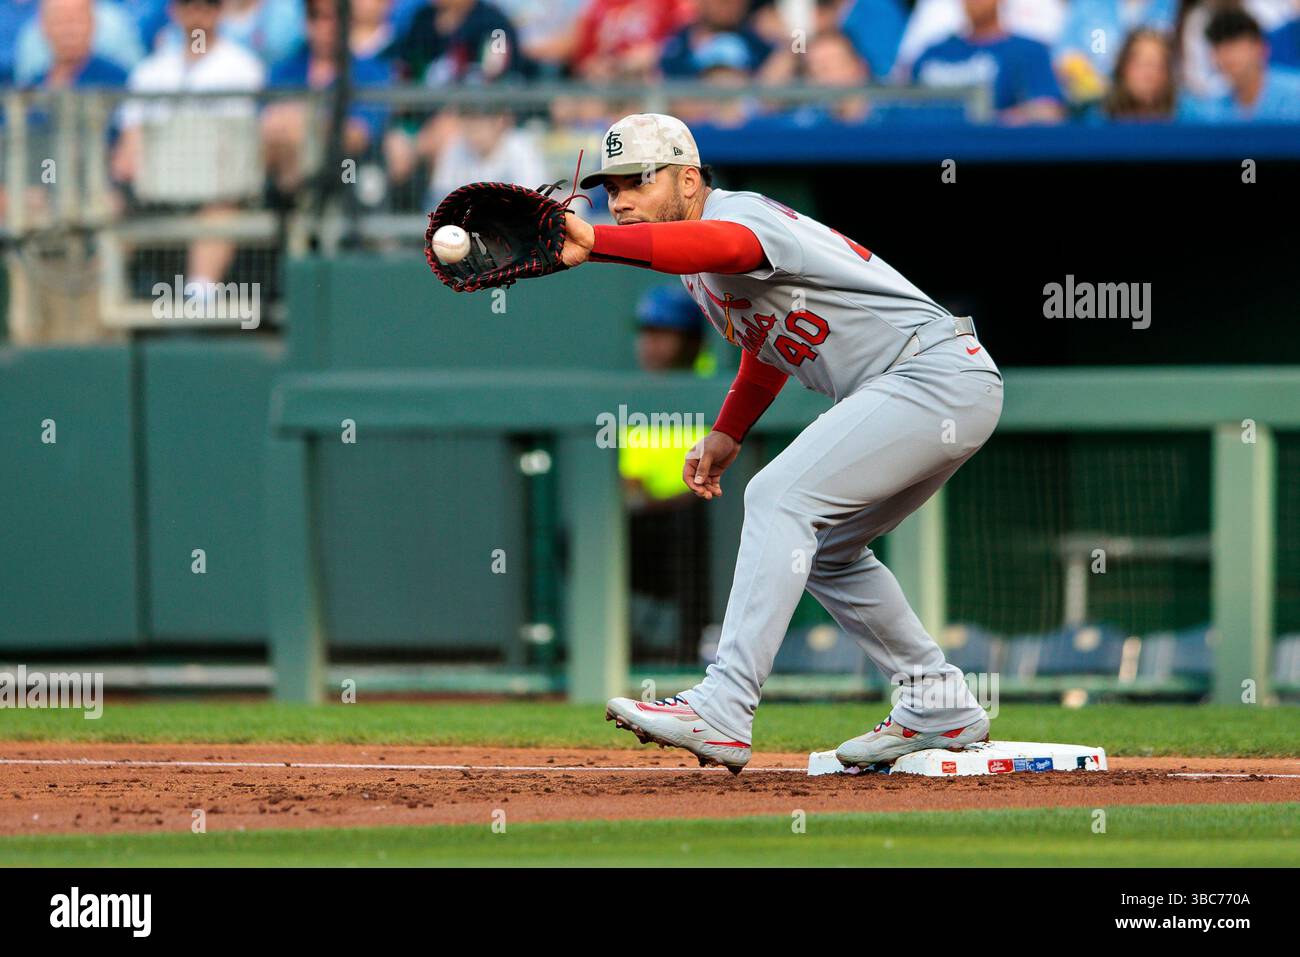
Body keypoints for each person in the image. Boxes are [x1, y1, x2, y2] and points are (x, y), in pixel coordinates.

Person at [561, 113, 1002, 773]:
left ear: (689, 179)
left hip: (930, 372)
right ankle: (936, 698)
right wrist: (727, 430)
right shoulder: (696, 264)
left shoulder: (741, 216)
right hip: (931, 385)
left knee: (778, 498)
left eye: (638, 181)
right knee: (827, 550)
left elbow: (732, 248)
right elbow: (767, 346)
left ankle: (725, 704)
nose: (620, 200)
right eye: (610, 187)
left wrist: (594, 242)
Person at [911, 0, 1066, 123]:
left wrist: (993, 122)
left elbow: (1050, 111)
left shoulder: (1028, 51)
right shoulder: (932, 54)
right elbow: (903, 107)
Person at [1179, 7, 1300, 119]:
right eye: (1219, 48)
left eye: (1235, 46)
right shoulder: (1214, 110)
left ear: (1262, 48)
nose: (1227, 56)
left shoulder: (1295, 95)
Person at [1054, 0, 1176, 103]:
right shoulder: (1089, 5)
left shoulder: (1175, 6)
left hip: (1165, 109)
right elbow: (1064, 54)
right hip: (1098, 108)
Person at [1102, 27, 1177, 119]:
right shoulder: (1092, 120)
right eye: (1140, 63)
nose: (1148, 74)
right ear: (1122, 67)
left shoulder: (1190, 122)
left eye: (1157, 65)